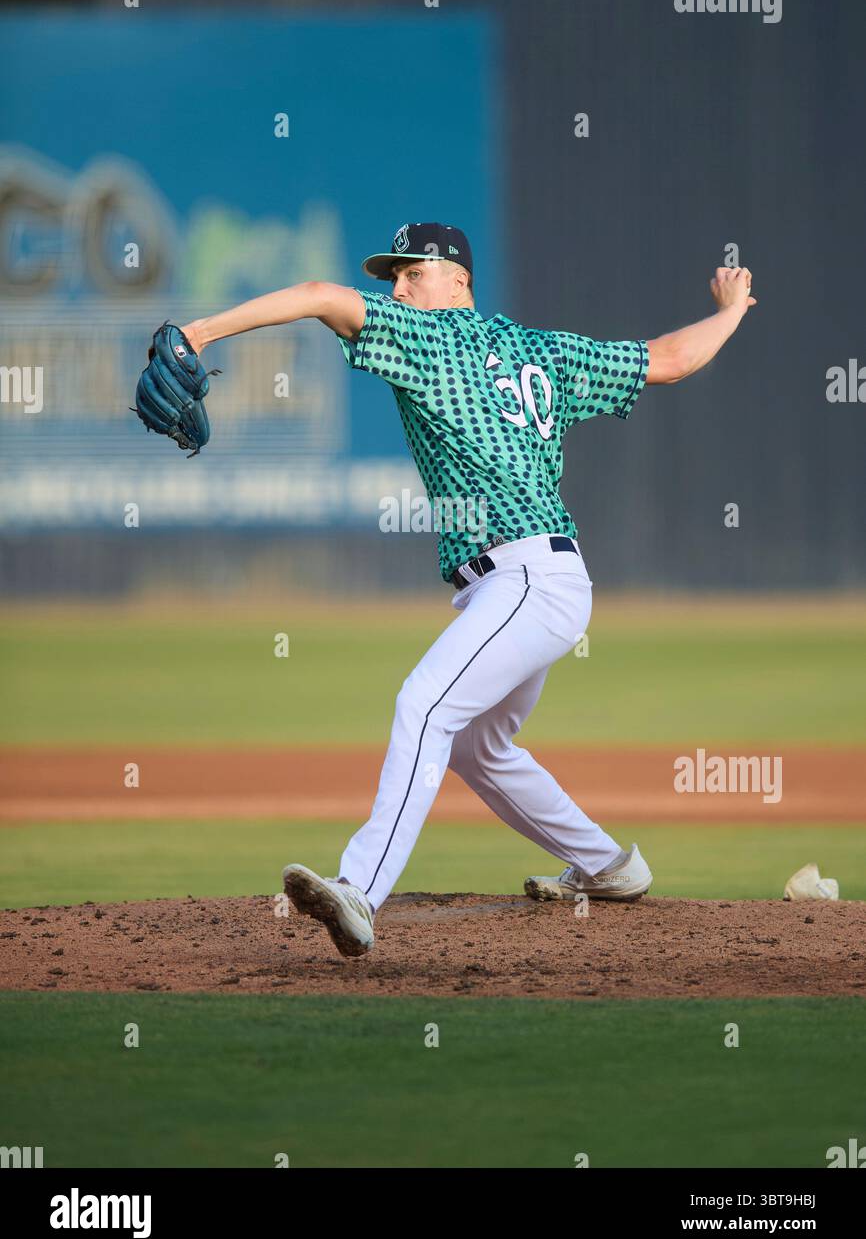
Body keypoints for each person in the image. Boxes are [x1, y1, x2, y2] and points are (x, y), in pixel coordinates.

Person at [181, 221, 756, 958]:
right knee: (481, 745)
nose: (396, 288)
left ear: (456, 280)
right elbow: (671, 360)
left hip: (523, 579)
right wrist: (733, 308)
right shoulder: (545, 350)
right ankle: (610, 866)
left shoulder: (428, 339)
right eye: (392, 276)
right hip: (538, 581)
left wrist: (200, 331)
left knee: (423, 703)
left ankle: (360, 888)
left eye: (409, 272)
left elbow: (319, 296)